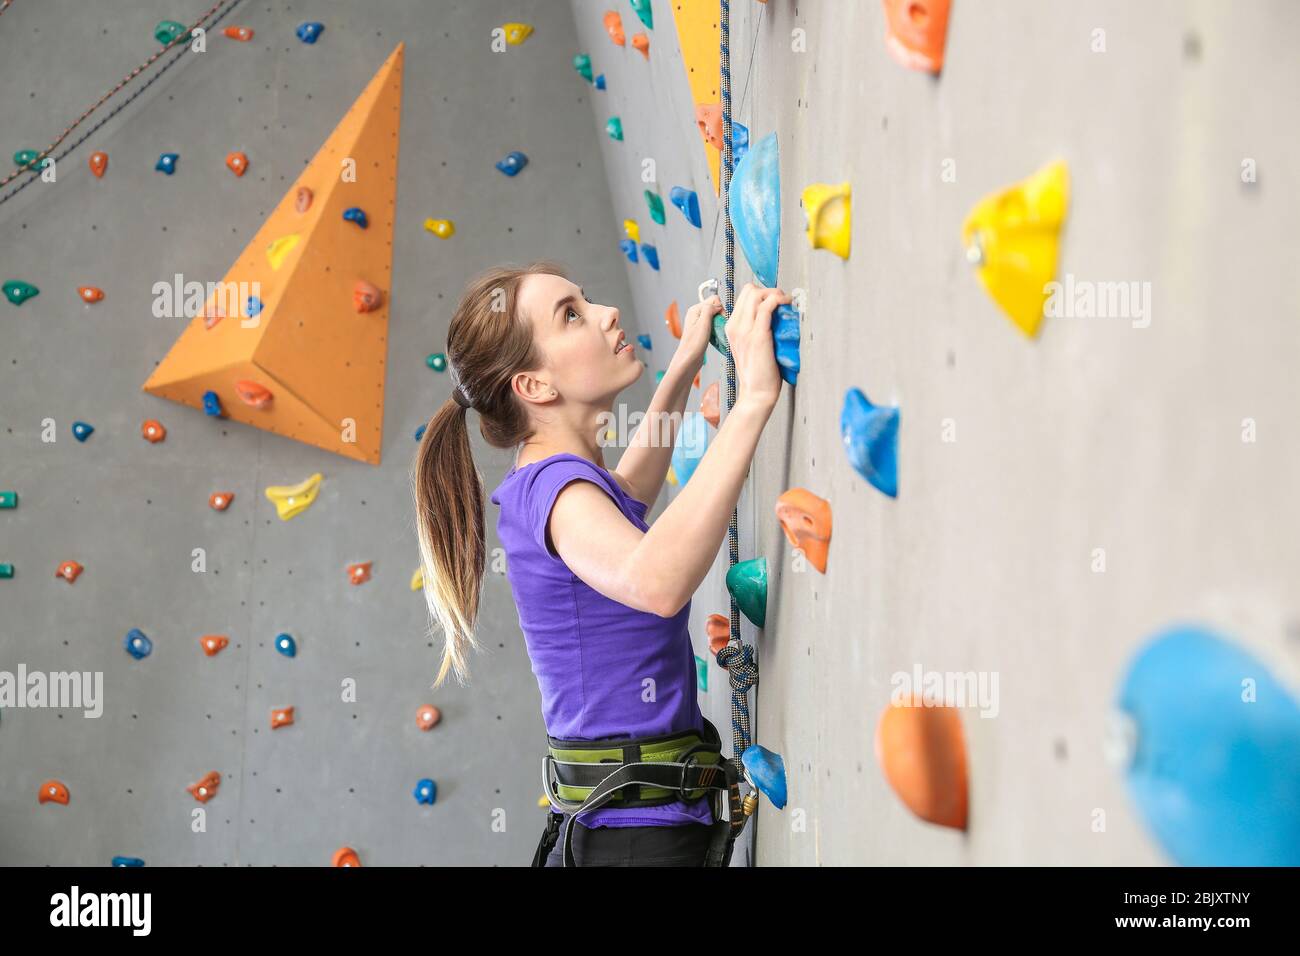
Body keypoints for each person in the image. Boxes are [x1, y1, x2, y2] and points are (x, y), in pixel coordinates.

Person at [411, 259, 787, 865]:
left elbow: (630, 495)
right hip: (635, 840)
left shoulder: (556, 482)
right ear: (534, 386)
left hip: (631, 826)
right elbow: (656, 580)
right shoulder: (555, 494)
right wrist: (755, 401)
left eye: (584, 300)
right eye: (572, 316)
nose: (606, 313)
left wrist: (685, 366)